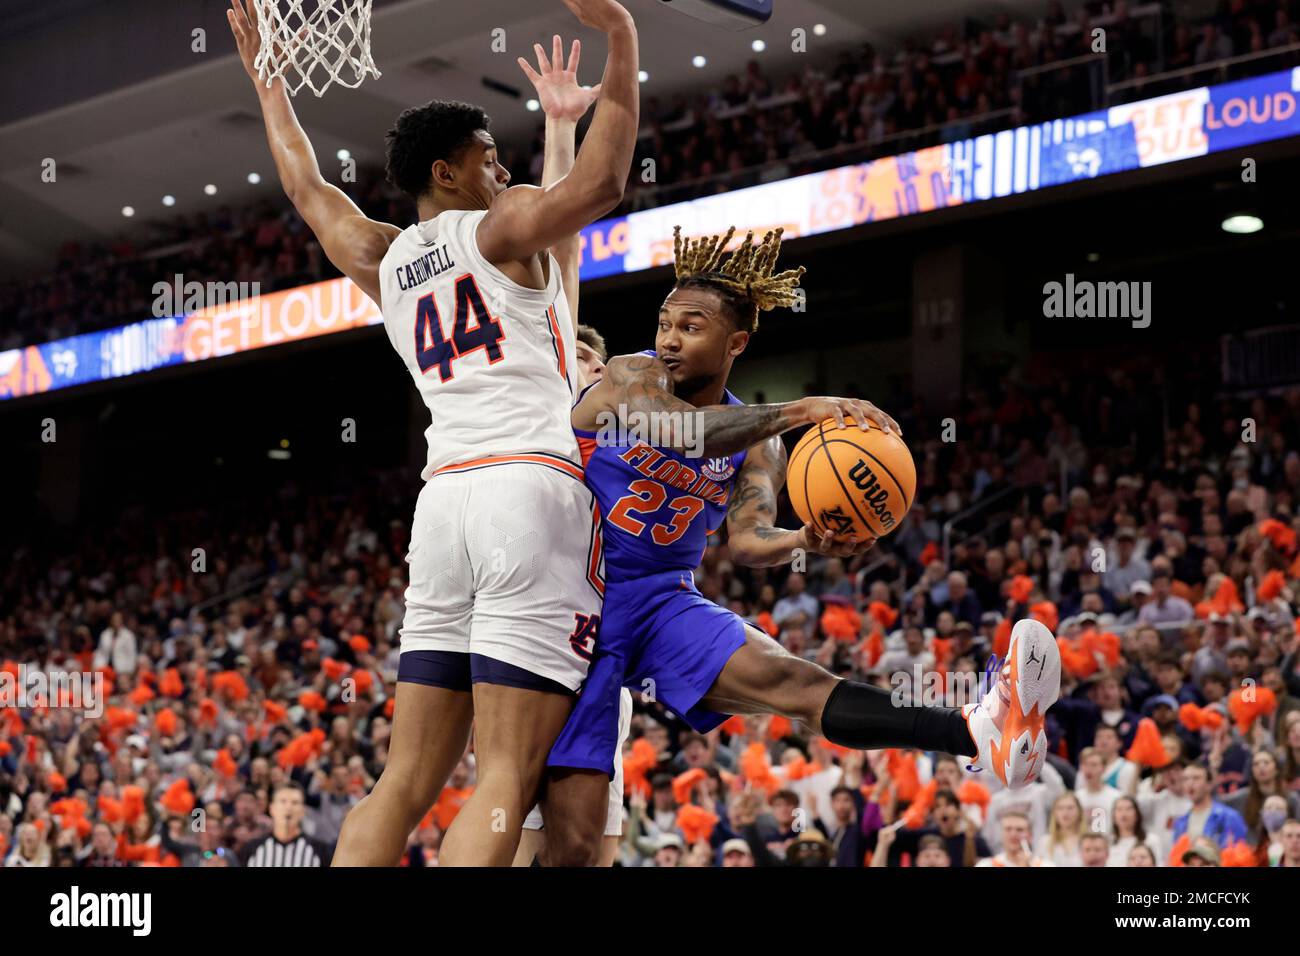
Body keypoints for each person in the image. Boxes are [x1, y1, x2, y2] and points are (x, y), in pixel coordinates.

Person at [227, 0, 643, 867]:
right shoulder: (496, 227)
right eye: (489, 158)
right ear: (449, 172)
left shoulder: (382, 256)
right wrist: (623, 35)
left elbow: (306, 186)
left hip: (443, 504)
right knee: (504, 772)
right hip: (529, 492)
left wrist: (270, 84)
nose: (502, 171)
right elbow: (600, 190)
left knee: (405, 779)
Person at [538, 226, 1062, 864]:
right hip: (577, 601)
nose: (669, 338)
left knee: (796, 682)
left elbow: (749, 543)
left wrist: (805, 539)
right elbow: (684, 433)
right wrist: (806, 407)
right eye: (664, 322)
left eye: (691, 326)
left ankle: (976, 731)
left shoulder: (761, 446)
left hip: (660, 602)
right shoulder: (628, 379)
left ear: (736, 342)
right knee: (573, 846)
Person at [238, 783, 334, 867]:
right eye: (283, 801)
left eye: (295, 803)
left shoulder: (320, 851)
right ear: (272, 808)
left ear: (303, 811)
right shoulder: (251, 849)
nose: (288, 808)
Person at [1170, 762, 1248, 853]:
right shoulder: (1180, 822)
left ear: (1209, 785)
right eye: (1186, 779)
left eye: (1196, 778)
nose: (1190, 783)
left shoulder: (1229, 817)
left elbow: (1238, 855)